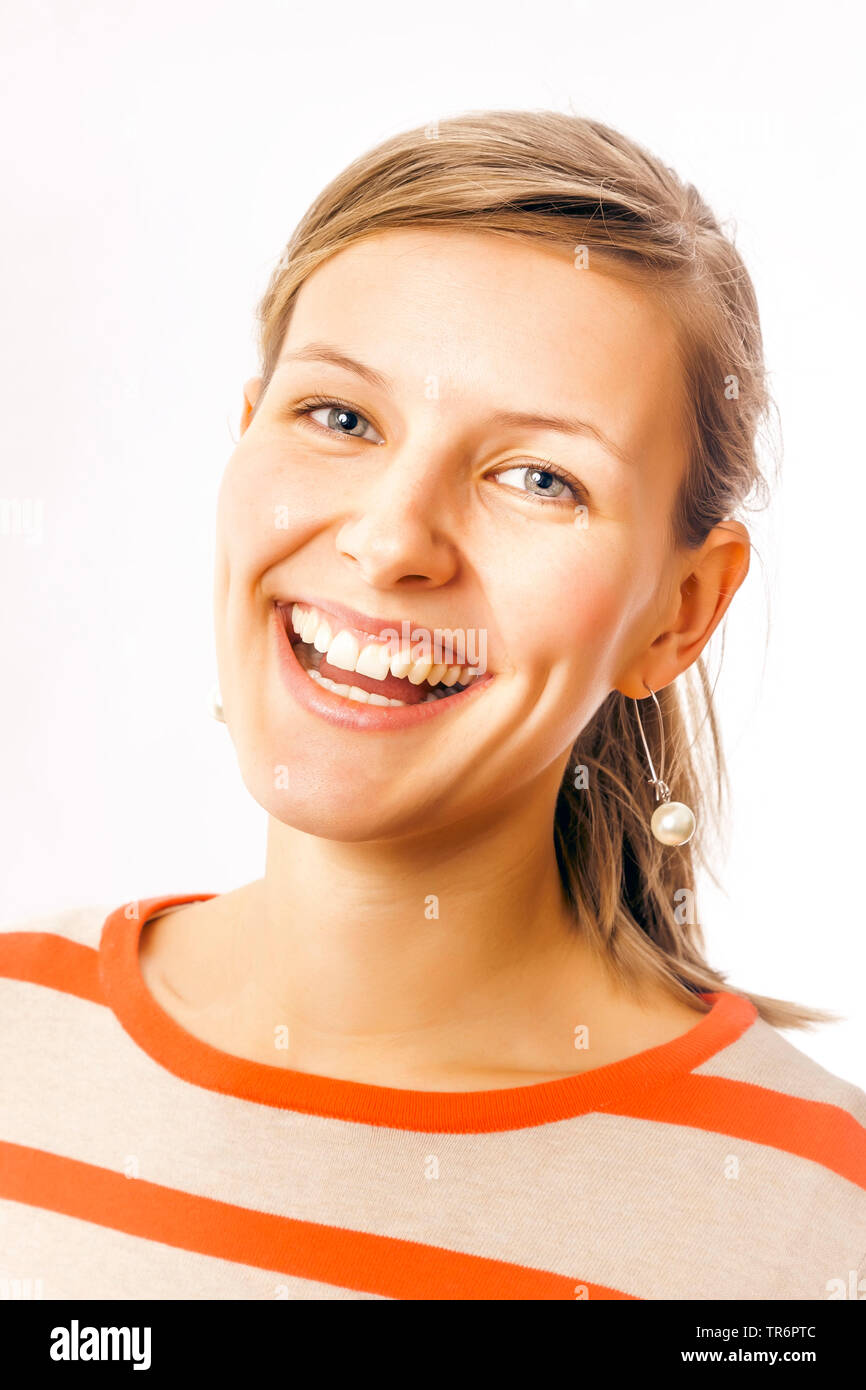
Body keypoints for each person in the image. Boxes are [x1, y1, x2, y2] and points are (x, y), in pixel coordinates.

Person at [1, 109, 863, 1302]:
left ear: (678, 613)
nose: (390, 538)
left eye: (537, 478)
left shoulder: (823, 1226)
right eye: (340, 416)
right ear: (244, 434)